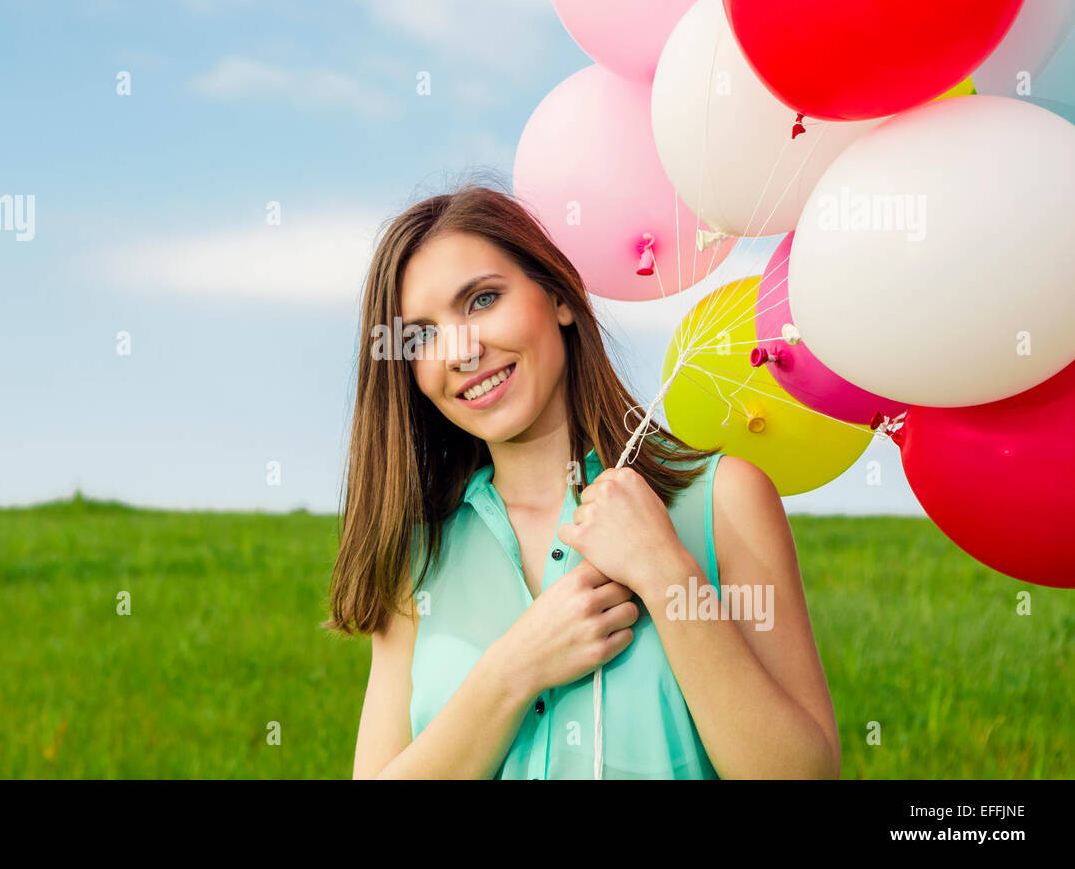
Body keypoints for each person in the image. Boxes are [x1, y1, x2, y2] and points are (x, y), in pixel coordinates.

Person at [324, 179, 841, 779]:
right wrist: (514, 669)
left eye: (483, 300)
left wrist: (667, 574)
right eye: (422, 336)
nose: (459, 351)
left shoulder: (722, 501)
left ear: (560, 298)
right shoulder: (418, 558)